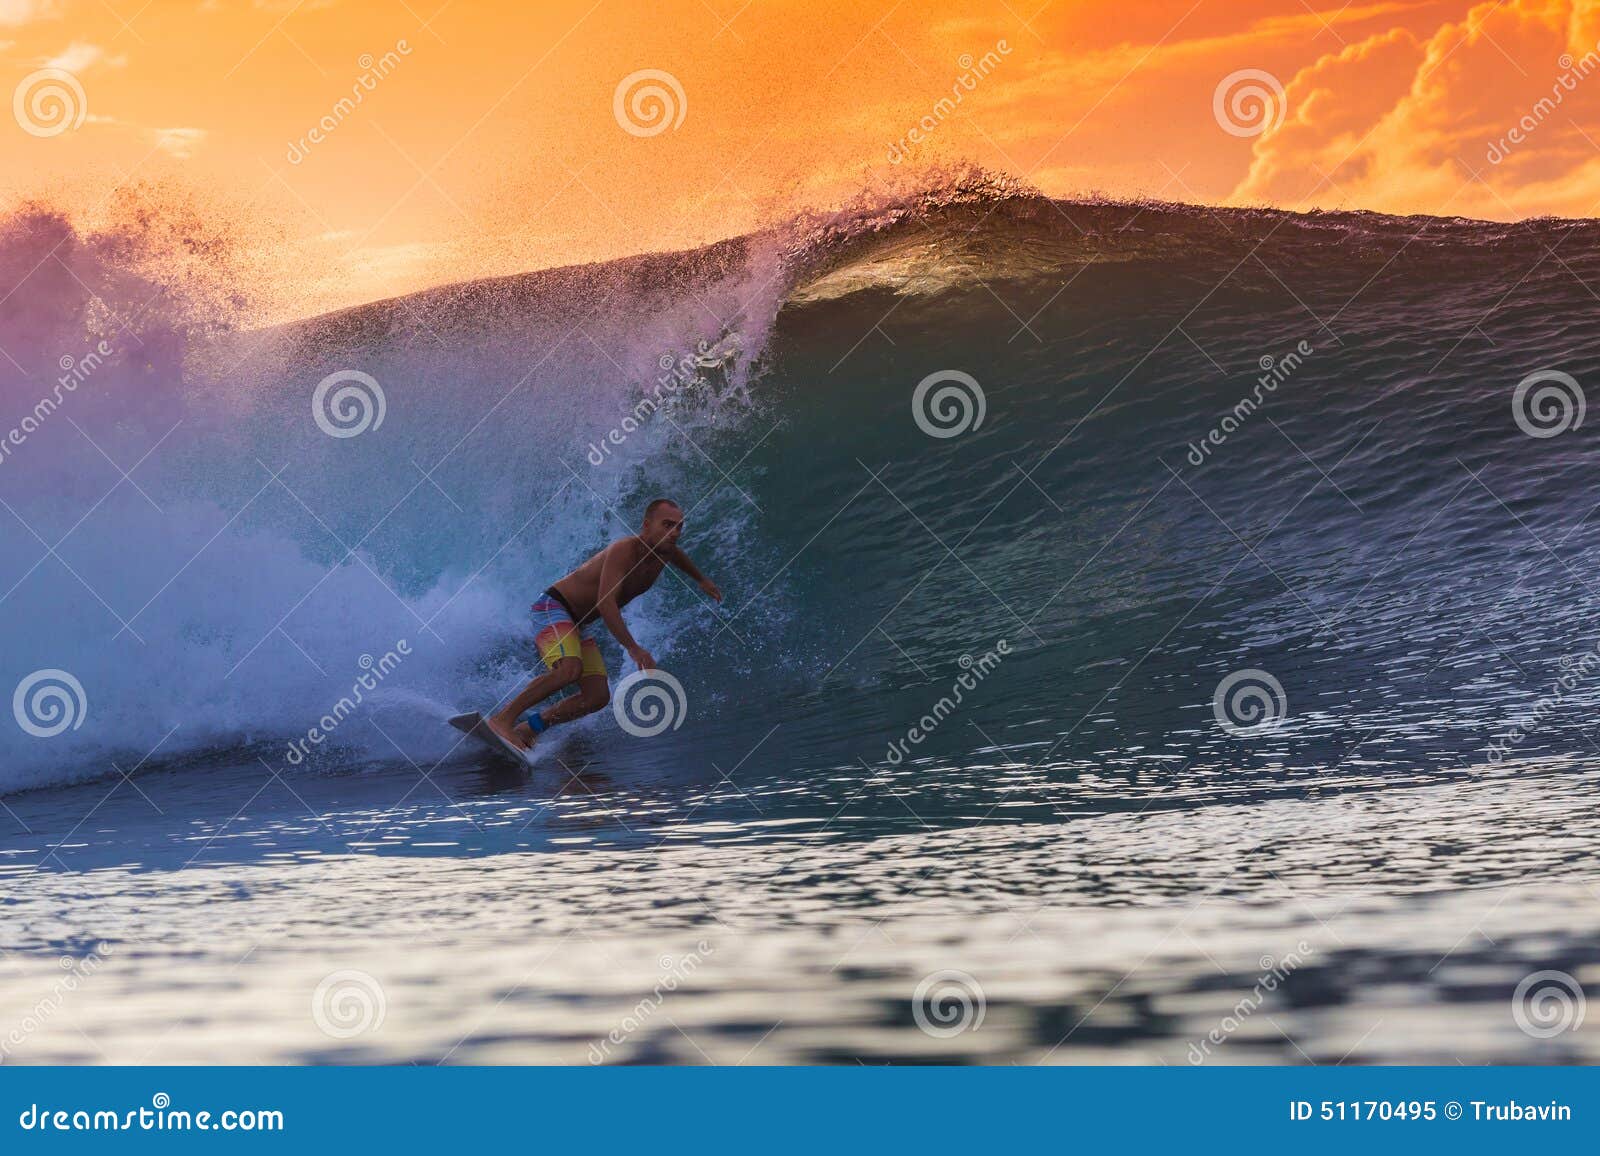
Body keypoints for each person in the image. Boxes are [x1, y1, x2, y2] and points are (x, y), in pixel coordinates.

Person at [487, 498, 722, 750]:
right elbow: (605, 603)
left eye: (679, 526)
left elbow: (678, 556)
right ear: (646, 525)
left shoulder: (664, 551)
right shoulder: (624, 550)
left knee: (597, 697)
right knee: (569, 670)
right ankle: (502, 720)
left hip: (576, 623)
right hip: (554, 606)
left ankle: (529, 729)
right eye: (667, 525)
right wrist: (633, 648)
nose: (674, 532)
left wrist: (701, 579)